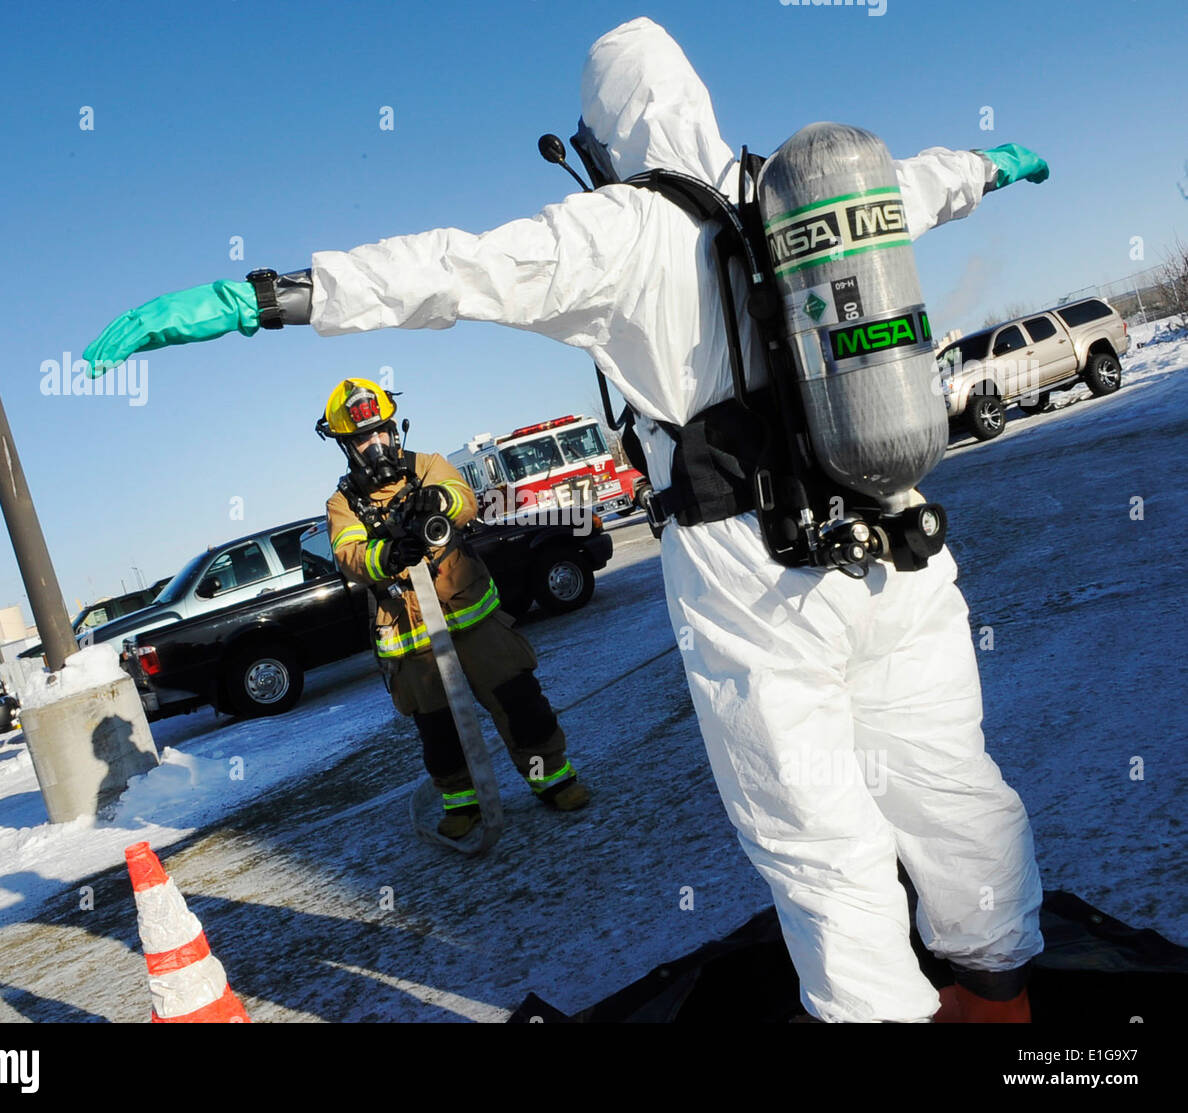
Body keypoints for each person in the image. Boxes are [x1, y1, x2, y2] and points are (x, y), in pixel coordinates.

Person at [85, 18, 1047, 1021]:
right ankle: (999, 997)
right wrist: (997, 165)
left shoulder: (612, 230)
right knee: (950, 781)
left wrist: (266, 295)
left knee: (816, 833)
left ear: (605, 134)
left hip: (751, 563)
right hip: (892, 531)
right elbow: (929, 178)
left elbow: (446, 267)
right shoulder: (807, 186)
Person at [320, 377, 589, 838]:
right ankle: (463, 804)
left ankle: (553, 780)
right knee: (438, 728)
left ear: (393, 429)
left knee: (519, 700)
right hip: (411, 633)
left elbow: (464, 502)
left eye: (380, 431)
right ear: (347, 444)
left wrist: (438, 500)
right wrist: (385, 556)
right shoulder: (343, 503)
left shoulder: (427, 465)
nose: (375, 443)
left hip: (473, 618)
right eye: (363, 437)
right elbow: (349, 554)